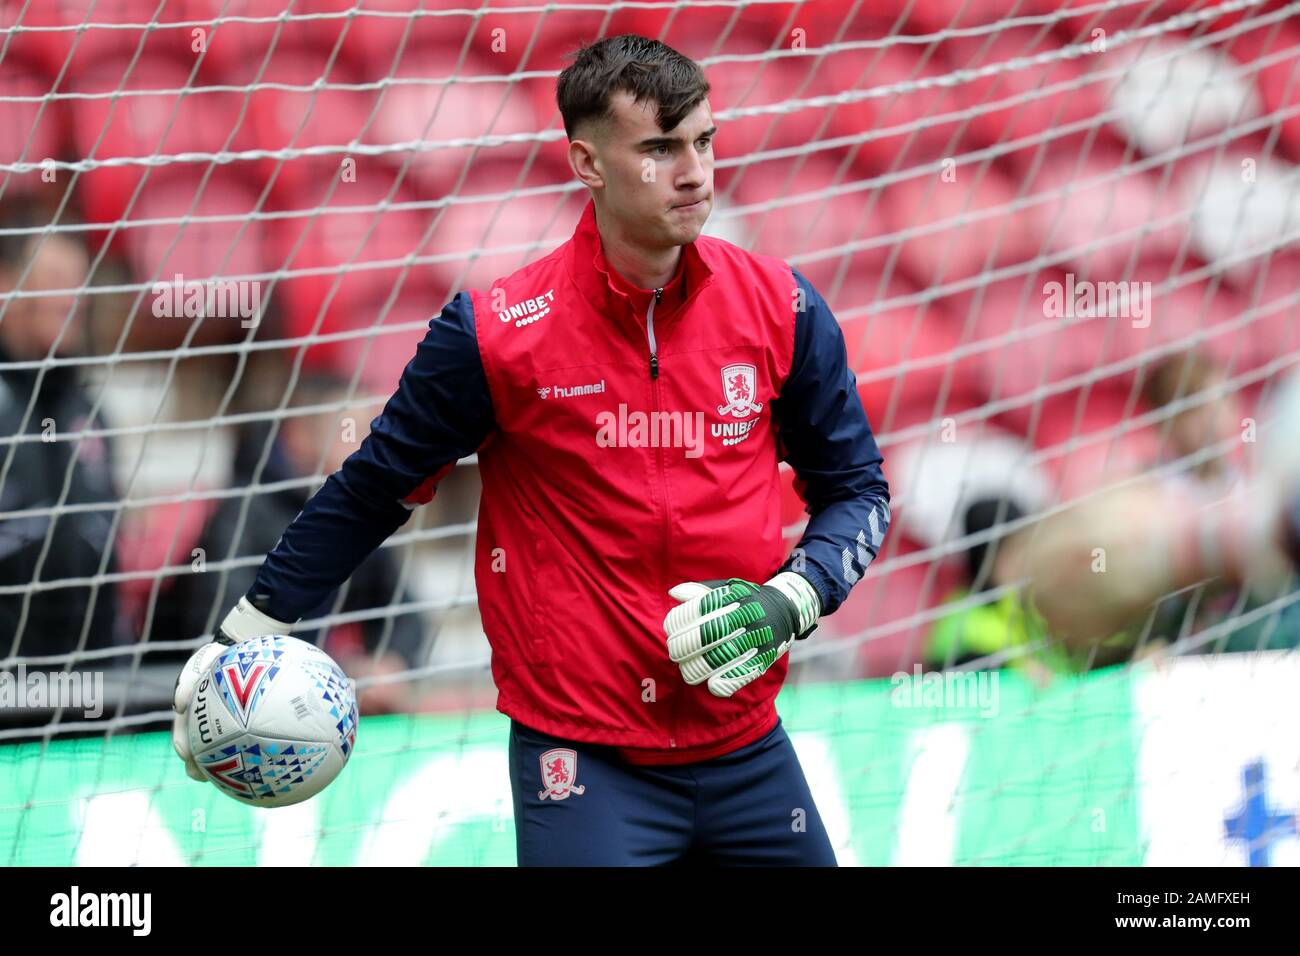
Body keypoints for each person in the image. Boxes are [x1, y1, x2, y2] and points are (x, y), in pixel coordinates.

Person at [171, 35, 891, 866]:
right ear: (587, 161)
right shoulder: (496, 336)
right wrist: (239, 637)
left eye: (703, 141)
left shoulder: (784, 307)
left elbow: (857, 490)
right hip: (583, 765)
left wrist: (790, 600)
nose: (694, 172)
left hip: (748, 747)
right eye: (658, 149)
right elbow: (371, 492)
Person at [0, 196, 123, 660]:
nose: (71, 300)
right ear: (7, 284)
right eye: (54, 282)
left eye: (78, 284)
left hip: (95, 694)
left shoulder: (88, 414)